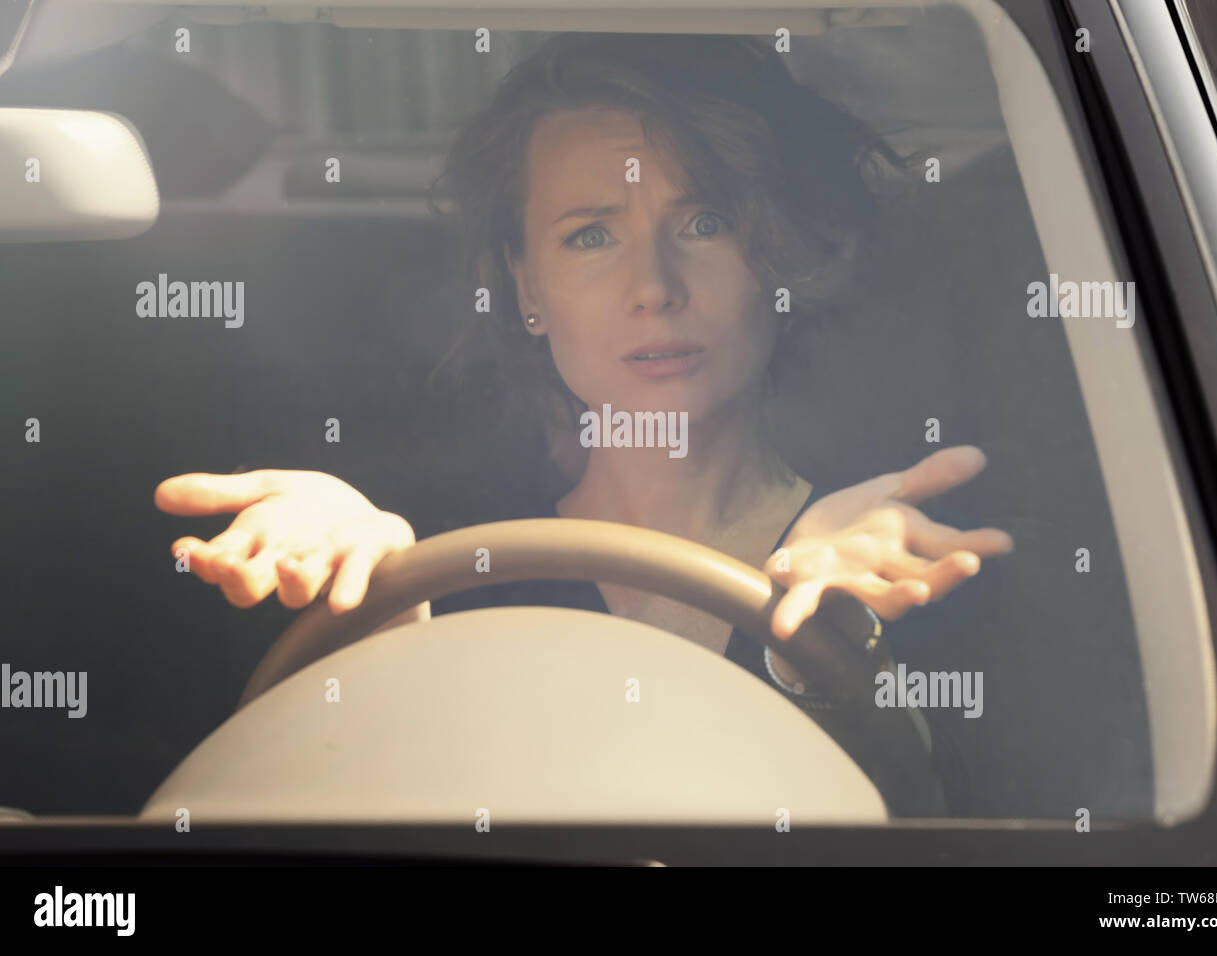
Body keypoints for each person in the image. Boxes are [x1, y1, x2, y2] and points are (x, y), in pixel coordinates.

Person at [153, 34, 1013, 817]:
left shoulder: (898, 568)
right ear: (527, 290)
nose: (654, 286)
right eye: (592, 236)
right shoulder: (451, 580)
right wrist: (373, 611)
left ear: (778, 255)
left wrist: (838, 637)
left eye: (705, 223)